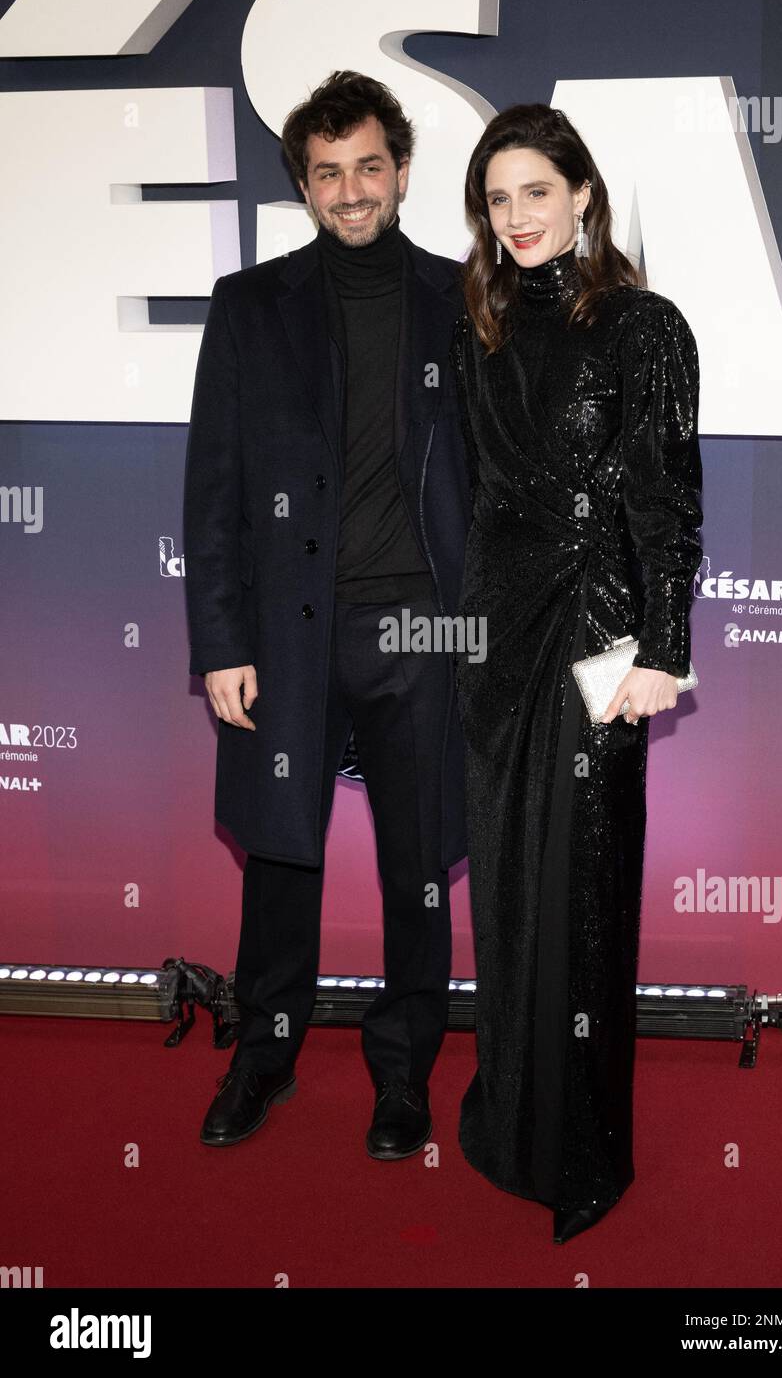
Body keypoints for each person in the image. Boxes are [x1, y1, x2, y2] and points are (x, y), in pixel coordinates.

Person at [182, 71, 472, 1156]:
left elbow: (490, 485)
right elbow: (211, 489)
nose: (349, 190)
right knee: (281, 861)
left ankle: (403, 1079)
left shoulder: (462, 296)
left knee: (416, 868)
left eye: (366, 166)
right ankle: (263, 1057)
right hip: (288, 641)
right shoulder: (250, 305)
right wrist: (220, 642)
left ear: (398, 170)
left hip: (421, 635)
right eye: (325, 172)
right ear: (302, 185)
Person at [450, 104, 703, 1243]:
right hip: (501, 638)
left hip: (601, 634)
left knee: (583, 887)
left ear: (583, 195)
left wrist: (664, 651)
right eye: (497, 200)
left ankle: (581, 1146)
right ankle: (511, 1117)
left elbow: (665, 501)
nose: (518, 219)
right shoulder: (483, 332)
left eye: (536, 193)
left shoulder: (645, 328)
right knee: (506, 883)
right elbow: (476, 507)